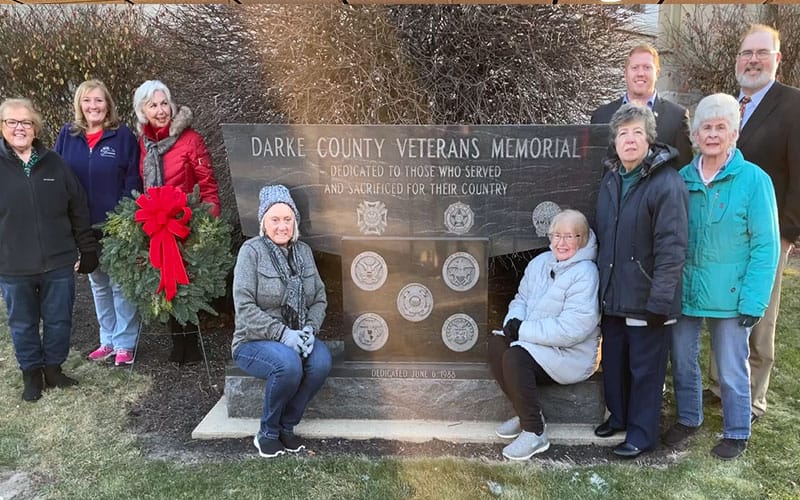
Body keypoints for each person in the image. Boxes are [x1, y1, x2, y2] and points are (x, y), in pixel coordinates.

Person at [664, 93, 779, 460]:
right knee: (682, 361)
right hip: (687, 290)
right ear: (695, 136)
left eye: (720, 128)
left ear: (734, 134)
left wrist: (754, 299)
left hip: (731, 294)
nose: (712, 134)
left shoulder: (754, 181)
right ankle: (688, 417)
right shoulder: (681, 179)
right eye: (706, 128)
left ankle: (736, 429)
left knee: (731, 366)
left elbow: (766, 246)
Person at [707, 24, 800, 424]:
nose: (753, 60)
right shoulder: (729, 106)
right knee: (722, 304)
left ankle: (753, 395)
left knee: (760, 314)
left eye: (762, 53)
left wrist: (788, 233)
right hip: (724, 230)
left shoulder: (793, 105)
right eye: (747, 53)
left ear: (777, 60)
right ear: (737, 60)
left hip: (768, 232)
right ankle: (718, 384)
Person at [593, 104, 688, 458]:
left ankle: (642, 433)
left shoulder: (666, 182)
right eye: (622, 134)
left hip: (648, 296)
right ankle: (619, 417)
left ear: (649, 138)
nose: (629, 140)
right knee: (615, 362)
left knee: (645, 370)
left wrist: (660, 302)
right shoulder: (611, 178)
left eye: (636, 132)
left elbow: (672, 247)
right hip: (614, 293)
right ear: (615, 142)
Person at [0, 98, 98, 401]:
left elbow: (78, 206)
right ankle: (32, 374)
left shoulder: (55, 162)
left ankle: (54, 370)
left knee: (59, 320)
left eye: (26, 122)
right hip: (13, 264)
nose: (20, 128)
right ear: (2, 127)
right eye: (12, 122)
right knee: (23, 323)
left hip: (58, 261)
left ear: (35, 127)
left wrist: (87, 247)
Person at [490, 209, 601, 461]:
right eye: (556, 235)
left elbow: (573, 329)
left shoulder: (586, 273)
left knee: (515, 357)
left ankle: (534, 432)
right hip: (537, 344)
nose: (561, 243)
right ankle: (525, 412)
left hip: (570, 355)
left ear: (582, 239)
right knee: (497, 345)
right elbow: (521, 299)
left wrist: (523, 331)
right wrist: (512, 324)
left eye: (570, 237)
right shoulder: (540, 262)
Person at [232, 184, 331, 458]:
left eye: (287, 219)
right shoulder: (251, 252)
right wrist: (283, 334)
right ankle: (268, 432)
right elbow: (244, 307)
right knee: (288, 365)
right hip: (254, 341)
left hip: (299, 335)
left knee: (321, 362)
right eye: (275, 219)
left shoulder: (304, 253)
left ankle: (287, 427)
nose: (282, 226)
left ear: (295, 222)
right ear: (264, 221)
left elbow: (319, 299)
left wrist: (310, 329)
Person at [132, 80, 221, 364]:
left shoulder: (190, 139)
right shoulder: (144, 144)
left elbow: (207, 183)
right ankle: (176, 343)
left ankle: (191, 343)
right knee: (164, 278)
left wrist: (209, 221)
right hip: (157, 224)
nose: (161, 111)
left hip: (186, 220)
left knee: (187, 279)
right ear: (143, 111)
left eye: (164, 103)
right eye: (153, 105)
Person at [55, 79, 142, 367]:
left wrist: (125, 216)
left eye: (99, 100)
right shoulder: (68, 135)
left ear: (108, 105)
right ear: (80, 105)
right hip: (82, 225)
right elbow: (58, 177)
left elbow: (132, 178)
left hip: (116, 225)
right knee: (98, 282)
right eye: (87, 100)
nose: (94, 106)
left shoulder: (122, 136)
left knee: (120, 284)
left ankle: (125, 343)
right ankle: (107, 340)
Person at [591, 44, 693, 167]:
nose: (640, 73)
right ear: (625, 73)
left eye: (647, 67)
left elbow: (683, 171)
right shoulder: (601, 116)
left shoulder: (677, 117)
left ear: (657, 72)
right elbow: (594, 169)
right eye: (634, 67)